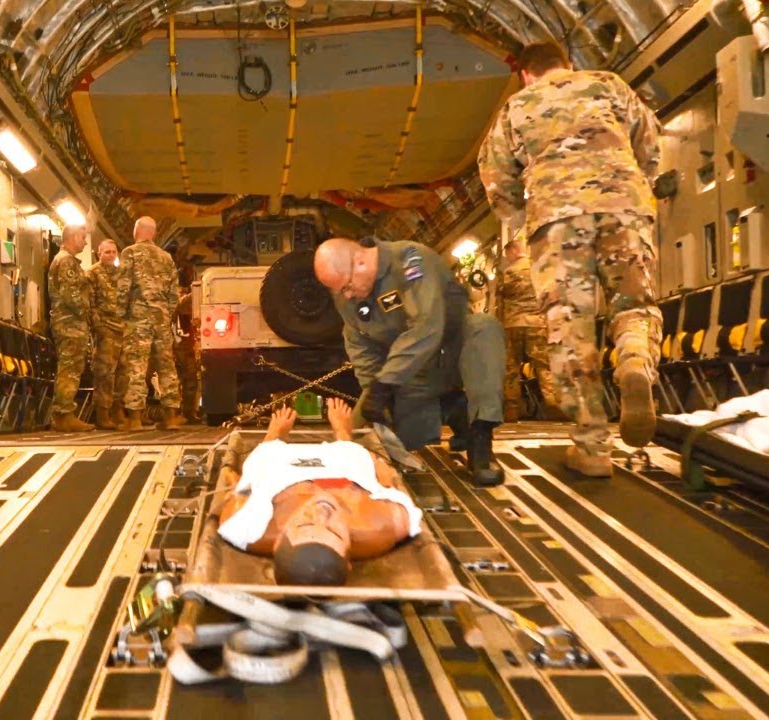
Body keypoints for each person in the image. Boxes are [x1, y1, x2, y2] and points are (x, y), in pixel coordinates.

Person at [477, 41, 662, 477]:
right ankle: (634, 361)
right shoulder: (608, 85)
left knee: (569, 327)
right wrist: (638, 188)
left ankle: (592, 448)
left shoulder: (518, 107)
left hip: (556, 219)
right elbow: (650, 143)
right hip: (624, 206)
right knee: (634, 305)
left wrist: (524, 219)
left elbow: (496, 176)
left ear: (525, 75)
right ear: (570, 64)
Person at [313, 236, 505, 486]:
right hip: (410, 376)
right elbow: (359, 343)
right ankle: (454, 410)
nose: (347, 295)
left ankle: (480, 437)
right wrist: (375, 394)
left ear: (360, 261)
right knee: (363, 445)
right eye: (340, 291)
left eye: (347, 286)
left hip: (454, 358)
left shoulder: (410, 261)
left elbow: (426, 326)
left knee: (483, 327)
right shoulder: (346, 296)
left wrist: (386, 383)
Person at [216, 399, 422, 586]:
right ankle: (343, 434)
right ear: (349, 558)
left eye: (305, 523)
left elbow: (240, 488)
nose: (322, 512)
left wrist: (237, 480)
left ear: (277, 543)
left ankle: (274, 435)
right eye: (334, 531)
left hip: (283, 471)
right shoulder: (381, 528)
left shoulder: (245, 528)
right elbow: (389, 485)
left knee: (262, 459)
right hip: (342, 472)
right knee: (356, 457)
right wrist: (380, 469)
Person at [117, 216, 185, 430]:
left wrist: (121, 315)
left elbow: (123, 288)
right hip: (161, 320)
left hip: (138, 320)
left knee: (137, 367)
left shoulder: (129, 253)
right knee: (167, 367)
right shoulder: (166, 257)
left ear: (136, 231)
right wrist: (165, 313)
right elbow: (174, 294)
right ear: (154, 233)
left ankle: (135, 419)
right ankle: (171, 417)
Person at [499, 228, 560, 420]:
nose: (507, 259)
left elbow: (500, 300)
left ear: (513, 251)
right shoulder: (538, 268)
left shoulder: (507, 273)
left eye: (507, 254)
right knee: (543, 364)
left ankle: (511, 409)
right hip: (536, 322)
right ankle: (553, 403)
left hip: (512, 324)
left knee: (511, 367)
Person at [47, 225, 95, 433]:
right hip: (70, 323)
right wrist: (87, 311)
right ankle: (63, 415)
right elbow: (71, 295)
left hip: (71, 322)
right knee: (70, 368)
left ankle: (64, 413)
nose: (84, 242)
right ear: (73, 237)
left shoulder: (67, 260)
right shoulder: (66, 261)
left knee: (72, 367)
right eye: (82, 238)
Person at [87, 238, 127, 429]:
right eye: (107, 252)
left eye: (114, 252)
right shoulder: (92, 274)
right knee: (105, 374)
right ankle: (102, 414)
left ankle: (118, 410)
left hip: (122, 329)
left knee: (123, 372)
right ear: (99, 254)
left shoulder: (121, 274)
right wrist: (98, 327)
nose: (111, 255)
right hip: (105, 329)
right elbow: (90, 303)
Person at [174, 279, 202, 423]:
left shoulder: (186, 305)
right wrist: (199, 287)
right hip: (179, 346)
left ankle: (188, 412)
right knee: (183, 380)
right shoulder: (178, 304)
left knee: (191, 381)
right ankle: (180, 412)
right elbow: (182, 303)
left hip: (186, 345)